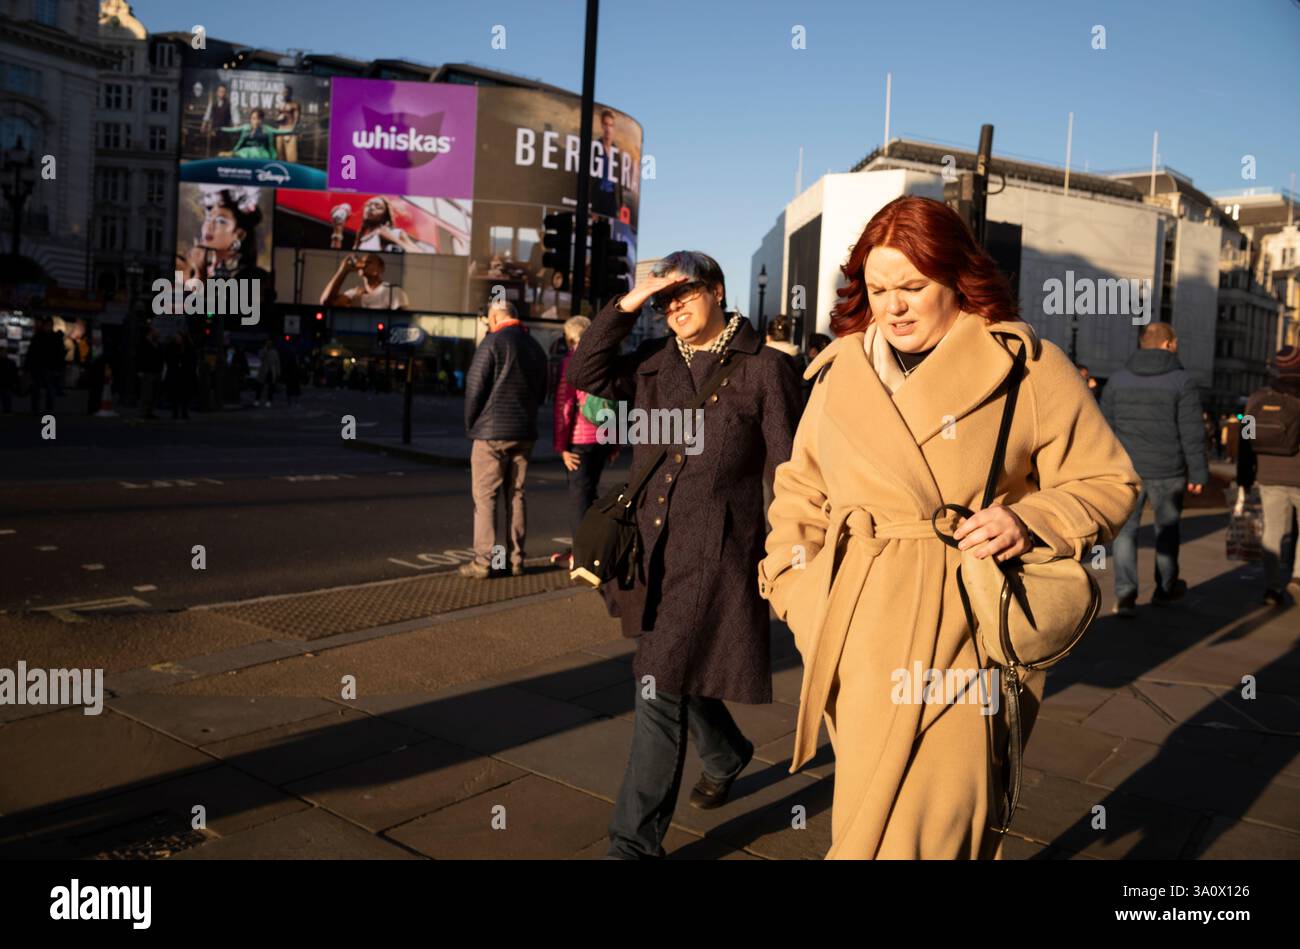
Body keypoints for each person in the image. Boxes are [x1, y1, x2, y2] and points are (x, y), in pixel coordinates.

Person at [759, 196, 1138, 860]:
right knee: (865, 813)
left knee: (931, 829)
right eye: (878, 288)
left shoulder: (1026, 367)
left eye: (912, 286)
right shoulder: (839, 371)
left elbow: (1110, 482)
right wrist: (796, 587)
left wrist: (1030, 519)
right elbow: (800, 489)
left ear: (957, 278)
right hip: (853, 630)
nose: (893, 305)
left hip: (965, 634)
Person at [568, 251, 802, 859]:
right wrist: (627, 302)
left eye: (686, 291)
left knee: (656, 686)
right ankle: (726, 752)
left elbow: (790, 472)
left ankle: (631, 846)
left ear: (718, 291)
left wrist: (792, 551)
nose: (674, 305)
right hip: (649, 554)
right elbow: (583, 372)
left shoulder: (765, 370)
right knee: (675, 672)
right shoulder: (652, 365)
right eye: (664, 298)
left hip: (716, 558)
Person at [1100, 321, 1209, 616]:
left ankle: (1125, 595)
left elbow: (1103, 429)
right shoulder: (1181, 381)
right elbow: (1192, 431)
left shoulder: (1118, 380)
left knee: (1125, 533)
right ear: (1167, 344)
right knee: (1167, 530)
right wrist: (1198, 472)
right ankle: (1165, 588)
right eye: (1175, 342)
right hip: (1168, 470)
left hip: (1127, 472)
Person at [460, 302, 549, 578]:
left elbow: (475, 387)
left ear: (496, 316)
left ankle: (483, 562)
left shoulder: (492, 343)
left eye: (488, 317)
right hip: (524, 432)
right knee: (517, 494)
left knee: (486, 498)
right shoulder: (535, 347)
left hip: (491, 433)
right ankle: (516, 560)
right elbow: (542, 390)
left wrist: (471, 424)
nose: (487, 322)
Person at [1236, 344, 1300, 605]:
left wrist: (1245, 477)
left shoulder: (1258, 398)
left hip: (1268, 473)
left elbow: (1245, 440)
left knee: (1272, 531)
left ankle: (1273, 588)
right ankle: (1297, 577)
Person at [551, 316, 616, 568]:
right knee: (591, 496)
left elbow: (564, 408)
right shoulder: (604, 360)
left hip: (580, 441)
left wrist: (561, 447)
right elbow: (617, 401)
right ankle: (593, 549)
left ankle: (581, 557)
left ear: (570, 338)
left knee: (579, 500)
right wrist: (614, 443)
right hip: (602, 439)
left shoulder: (572, 362)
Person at [178, 186, 265, 284]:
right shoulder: (183, 261)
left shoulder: (248, 277)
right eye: (208, 219)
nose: (209, 226)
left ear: (239, 234)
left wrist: (200, 270)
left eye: (221, 221)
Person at [319, 253, 410, 310]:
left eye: (368, 262)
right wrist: (343, 270)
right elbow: (326, 302)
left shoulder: (393, 291)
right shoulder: (354, 293)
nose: (363, 264)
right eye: (362, 261)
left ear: (379, 269)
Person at [220, 108, 292, 161]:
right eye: (253, 119)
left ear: (262, 120)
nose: (256, 121)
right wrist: (220, 129)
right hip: (246, 152)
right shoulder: (246, 128)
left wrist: (293, 131)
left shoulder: (267, 129)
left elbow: (282, 132)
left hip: (262, 153)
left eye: (258, 119)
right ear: (250, 119)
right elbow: (232, 130)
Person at [165, 332, 196, 419]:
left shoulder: (189, 348)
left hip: (185, 374)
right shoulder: (172, 347)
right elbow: (168, 359)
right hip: (175, 373)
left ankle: (184, 412)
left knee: (185, 394)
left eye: (178, 337)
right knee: (175, 394)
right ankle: (175, 412)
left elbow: (192, 361)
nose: (177, 339)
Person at [136, 327, 164, 419]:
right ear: (151, 333)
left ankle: (150, 412)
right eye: (157, 333)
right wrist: (140, 370)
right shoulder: (144, 343)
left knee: (154, 394)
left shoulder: (158, 344)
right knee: (146, 394)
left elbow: (160, 357)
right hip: (147, 372)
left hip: (157, 371)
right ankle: (143, 412)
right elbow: (139, 357)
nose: (158, 335)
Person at [256, 338, 281, 407]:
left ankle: (269, 401)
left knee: (271, 387)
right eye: (267, 343)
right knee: (260, 386)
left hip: (272, 371)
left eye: (270, 343)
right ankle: (257, 400)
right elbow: (260, 357)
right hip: (264, 370)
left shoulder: (275, 352)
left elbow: (277, 362)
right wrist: (265, 350)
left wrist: (278, 372)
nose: (269, 344)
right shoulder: (262, 350)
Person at [0, 344, 16, 414]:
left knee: (7, 396)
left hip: (7, 383)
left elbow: (13, 373)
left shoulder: (11, 362)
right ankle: (7, 410)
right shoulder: (11, 362)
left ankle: (7, 410)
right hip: (7, 383)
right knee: (7, 397)